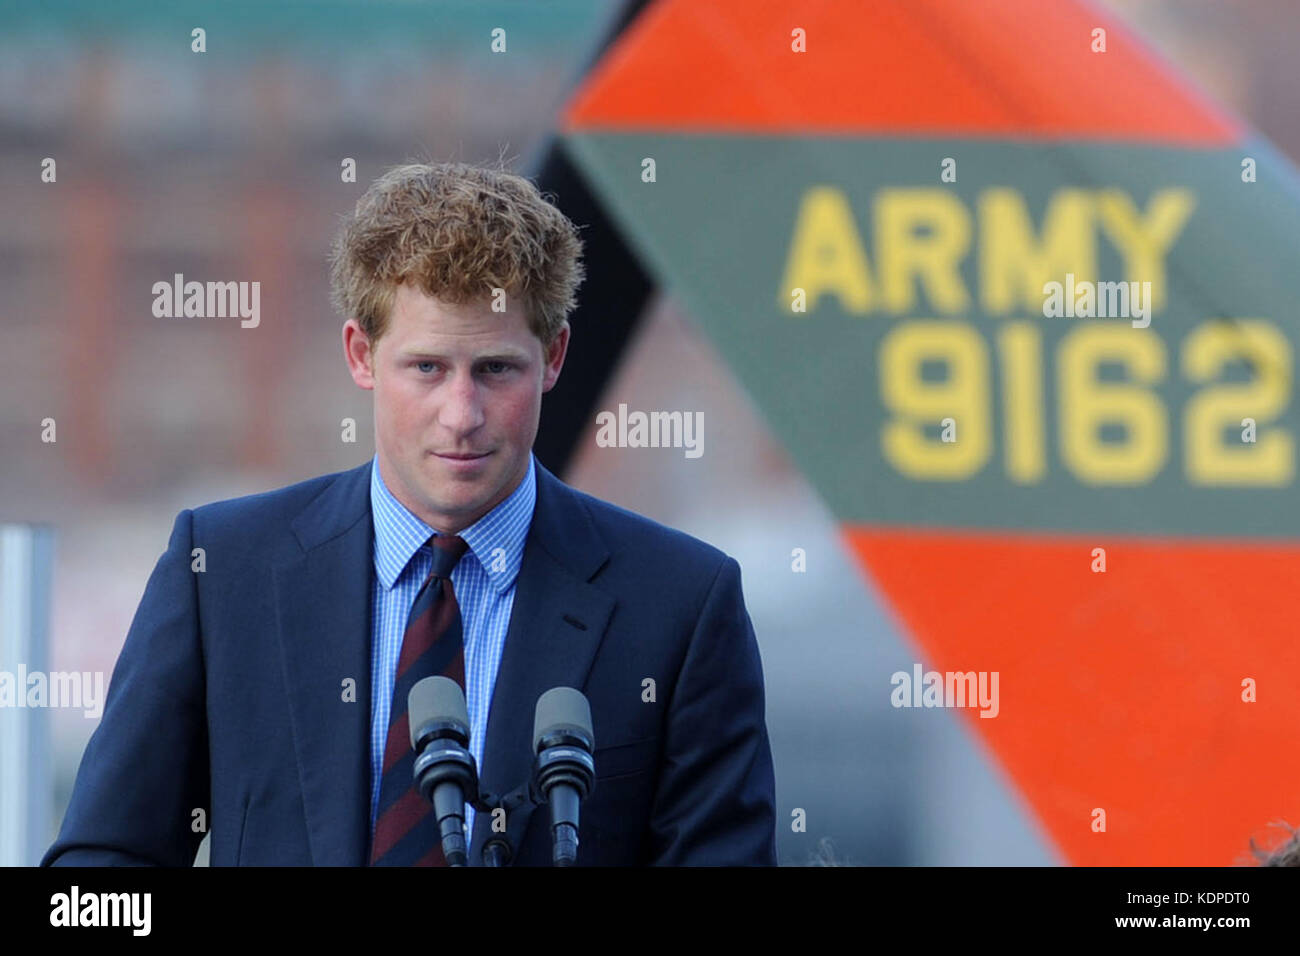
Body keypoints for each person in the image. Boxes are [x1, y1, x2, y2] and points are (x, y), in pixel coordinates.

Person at [41, 161, 778, 866]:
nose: (461, 415)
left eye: (496, 370)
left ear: (554, 357)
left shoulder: (680, 606)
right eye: (427, 368)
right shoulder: (221, 572)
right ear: (361, 355)